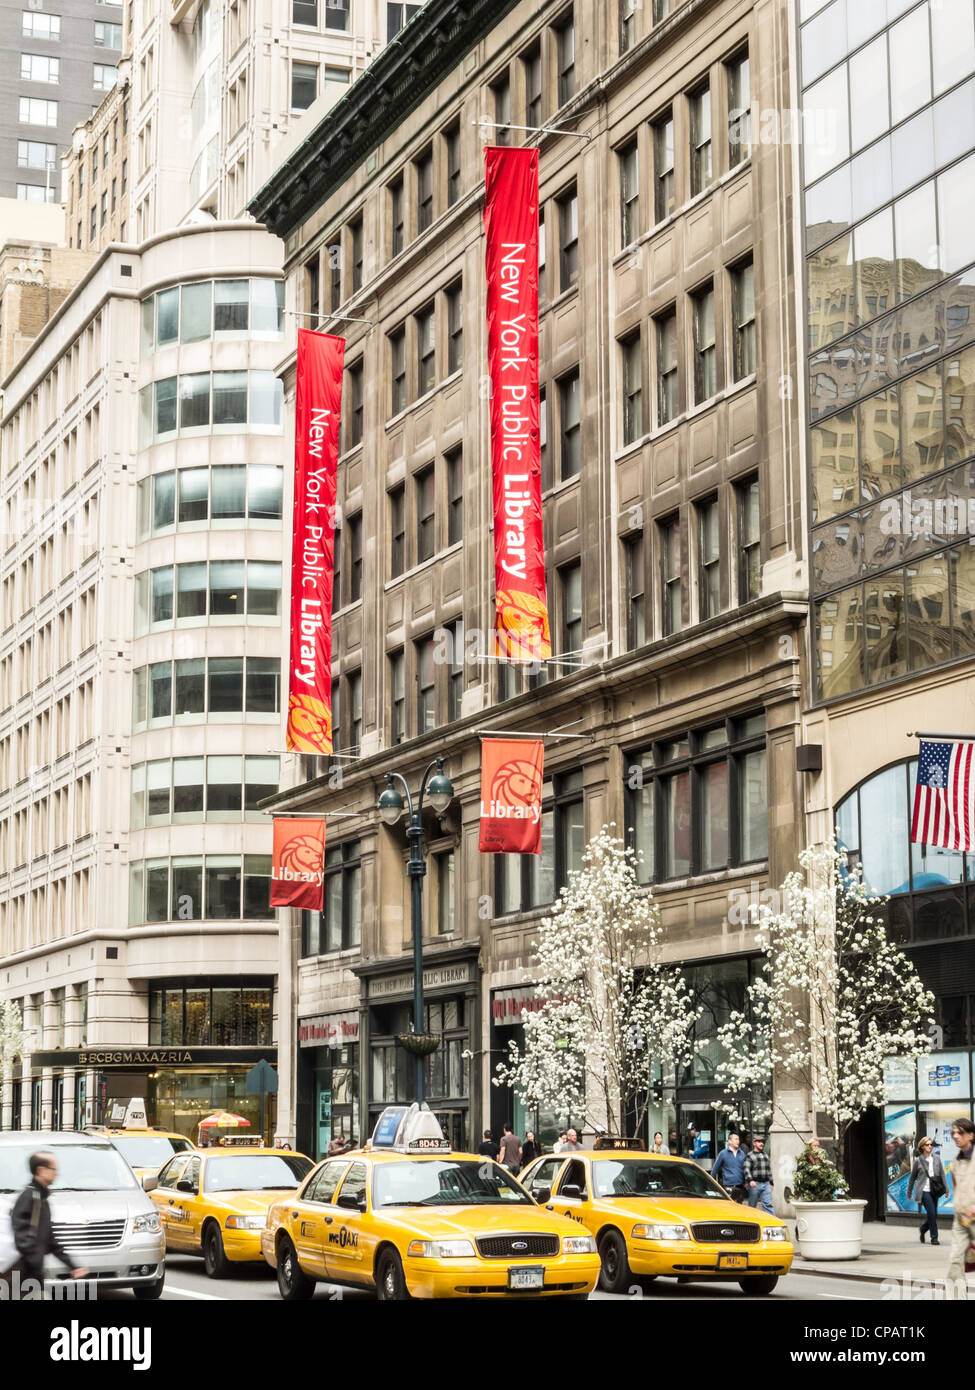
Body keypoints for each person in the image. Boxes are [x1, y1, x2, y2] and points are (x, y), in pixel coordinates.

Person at [8, 1152, 89, 1293]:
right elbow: (21, 1238)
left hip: (32, 1276)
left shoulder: (41, 1199)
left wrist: (73, 1266)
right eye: (53, 1169)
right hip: (21, 1277)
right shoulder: (29, 1198)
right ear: (41, 1170)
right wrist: (35, 1263)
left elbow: (50, 1239)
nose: (56, 1174)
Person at [947, 1118, 975, 1295]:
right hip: (961, 1219)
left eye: (960, 1133)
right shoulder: (956, 1162)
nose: (956, 1136)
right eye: (953, 1133)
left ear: (971, 1135)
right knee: (955, 1260)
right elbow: (956, 1186)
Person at [907, 1136, 945, 1246]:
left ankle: (923, 1229)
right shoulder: (918, 1161)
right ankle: (934, 1238)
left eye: (931, 1144)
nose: (930, 1146)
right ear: (922, 1147)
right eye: (927, 1145)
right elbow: (912, 1178)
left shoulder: (937, 1158)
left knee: (934, 1215)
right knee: (932, 1213)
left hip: (935, 1190)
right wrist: (909, 1192)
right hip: (924, 1191)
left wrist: (946, 1189)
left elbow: (942, 1174)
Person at [711, 1131, 747, 1202]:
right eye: (735, 1139)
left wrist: (746, 1182)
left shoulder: (742, 1153)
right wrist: (712, 1184)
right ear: (730, 1141)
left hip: (740, 1187)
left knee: (739, 1209)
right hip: (728, 1187)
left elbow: (745, 1169)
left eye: (738, 1139)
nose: (738, 1141)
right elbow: (715, 1169)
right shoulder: (723, 1153)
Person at [743, 1135, 774, 1214]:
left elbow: (768, 1170)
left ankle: (772, 1223)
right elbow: (746, 1169)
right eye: (759, 1142)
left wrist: (771, 1183)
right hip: (755, 1184)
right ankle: (750, 1222)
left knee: (768, 1204)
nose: (761, 1144)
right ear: (754, 1143)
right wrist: (750, 1180)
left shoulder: (765, 1155)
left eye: (762, 1142)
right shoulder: (750, 1155)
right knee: (752, 1206)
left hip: (766, 1184)